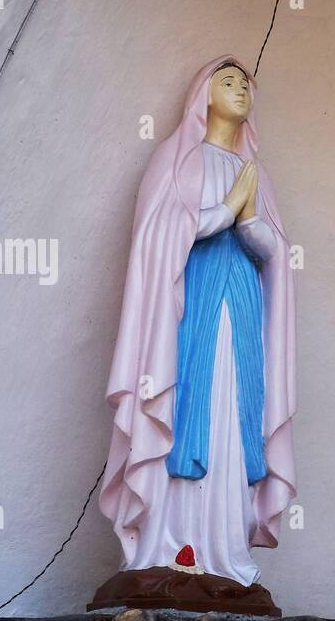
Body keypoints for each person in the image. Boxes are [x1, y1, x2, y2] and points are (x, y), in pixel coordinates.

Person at [99, 55, 296, 588]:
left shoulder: (258, 175)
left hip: (243, 312)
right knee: (188, 409)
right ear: (203, 94)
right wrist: (227, 209)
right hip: (186, 320)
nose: (240, 89)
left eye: (246, 83)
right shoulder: (177, 159)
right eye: (227, 81)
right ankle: (165, 545)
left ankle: (226, 550)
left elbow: (274, 252)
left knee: (234, 413)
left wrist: (250, 217)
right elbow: (157, 240)